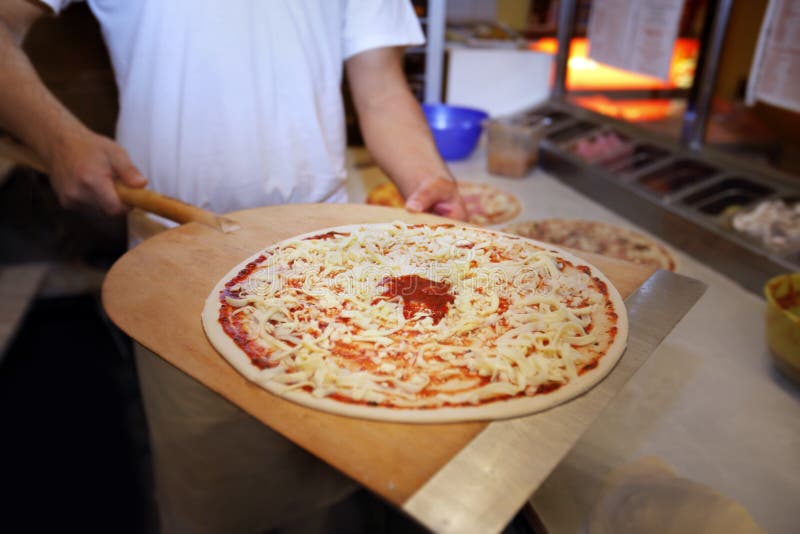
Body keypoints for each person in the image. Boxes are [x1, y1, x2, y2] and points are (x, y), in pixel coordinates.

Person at [0, 1, 467, 532]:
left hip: (332, 268)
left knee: (332, 482)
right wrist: (58, 138)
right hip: (177, 267)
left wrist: (428, 179)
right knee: (218, 500)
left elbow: (381, 89)